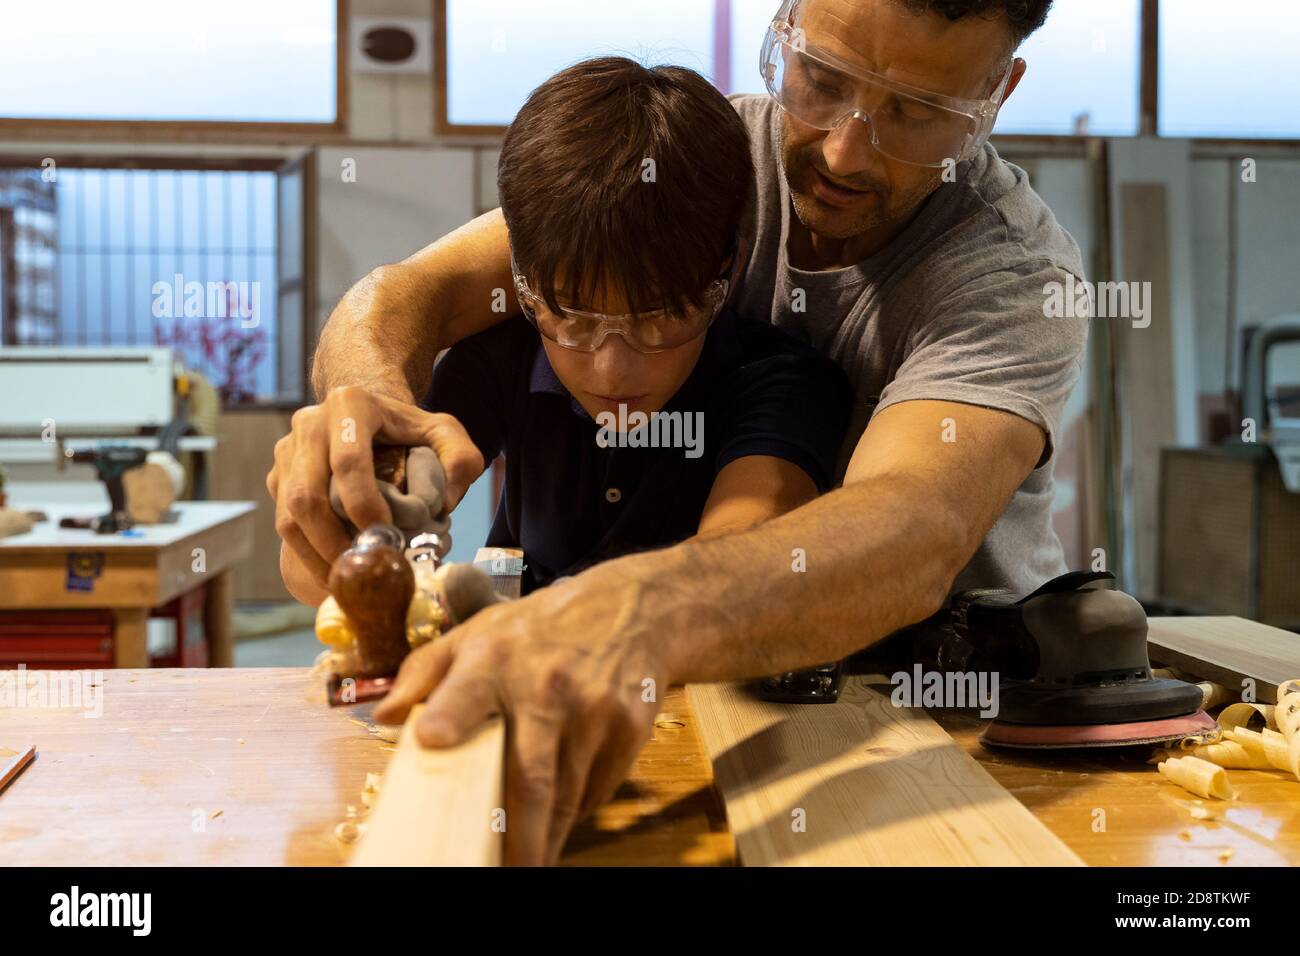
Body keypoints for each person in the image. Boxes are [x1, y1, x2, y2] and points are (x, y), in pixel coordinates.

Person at [268, 0, 1086, 865]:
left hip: (940, 712)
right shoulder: (702, 160)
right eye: (823, 81)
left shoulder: (1012, 277)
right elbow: (408, 293)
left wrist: (631, 607)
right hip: (735, 701)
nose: (847, 149)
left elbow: (914, 528)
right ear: (786, 28)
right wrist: (363, 429)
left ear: (998, 92)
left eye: (916, 113)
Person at [421, 57, 849, 595]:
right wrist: (381, 523)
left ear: (728, 270)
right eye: (573, 317)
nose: (613, 370)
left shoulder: (783, 385)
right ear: (523, 280)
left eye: (658, 318)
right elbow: (343, 546)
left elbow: (736, 566)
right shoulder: (504, 356)